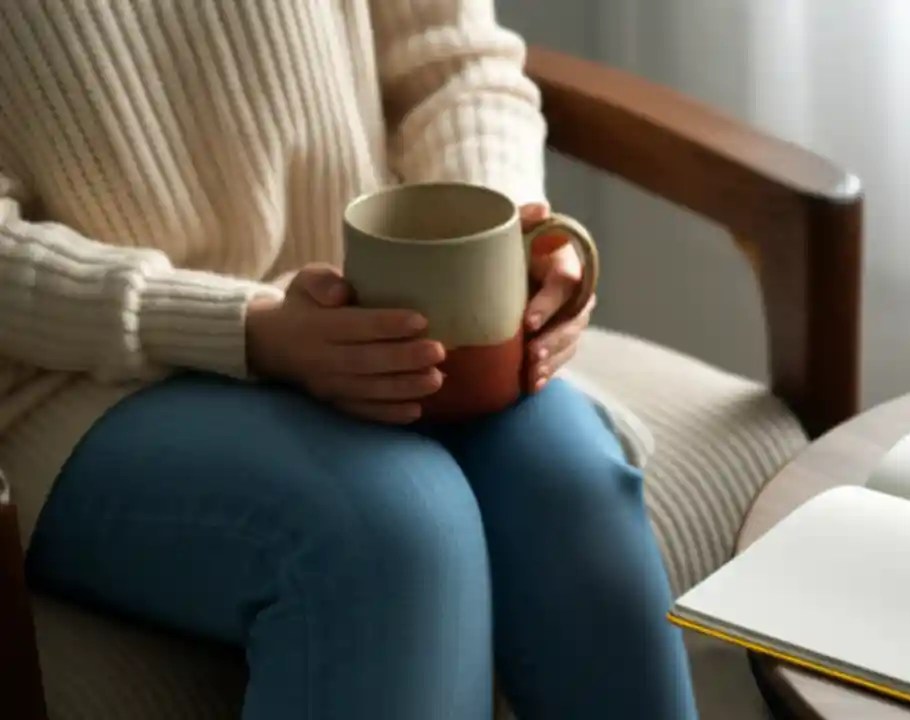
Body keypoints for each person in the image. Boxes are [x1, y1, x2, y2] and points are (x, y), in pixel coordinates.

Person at [0, 1, 698, 718]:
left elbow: (453, 63)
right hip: (70, 377)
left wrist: (496, 244)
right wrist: (248, 329)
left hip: (372, 301)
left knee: (568, 488)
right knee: (395, 530)